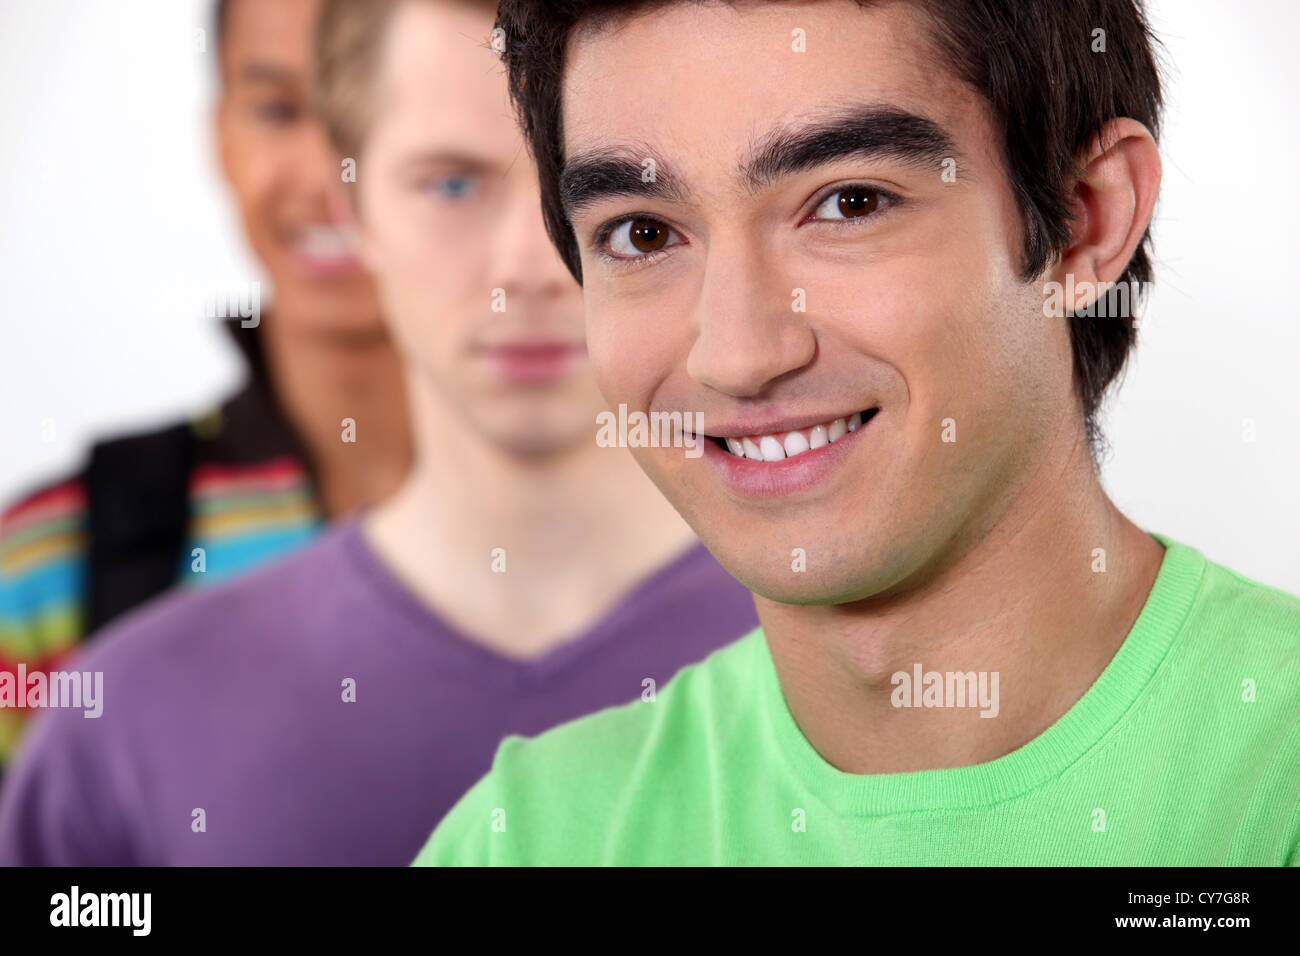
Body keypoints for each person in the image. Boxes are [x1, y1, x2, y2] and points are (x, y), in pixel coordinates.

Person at [416, 0, 1300, 865]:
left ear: (1085, 220)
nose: (737, 355)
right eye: (643, 234)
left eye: (849, 203)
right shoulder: (527, 839)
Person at [0, 0, 757, 866]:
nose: (529, 264)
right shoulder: (124, 726)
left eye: (582, 187)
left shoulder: (858, 650)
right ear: (349, 209)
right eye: (453, 183)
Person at [0, 0, 412, 770]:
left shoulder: (672, 515)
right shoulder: (50, 561)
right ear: (220, 138)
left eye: (377, 106)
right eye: (278, 109)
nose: (331, 176)